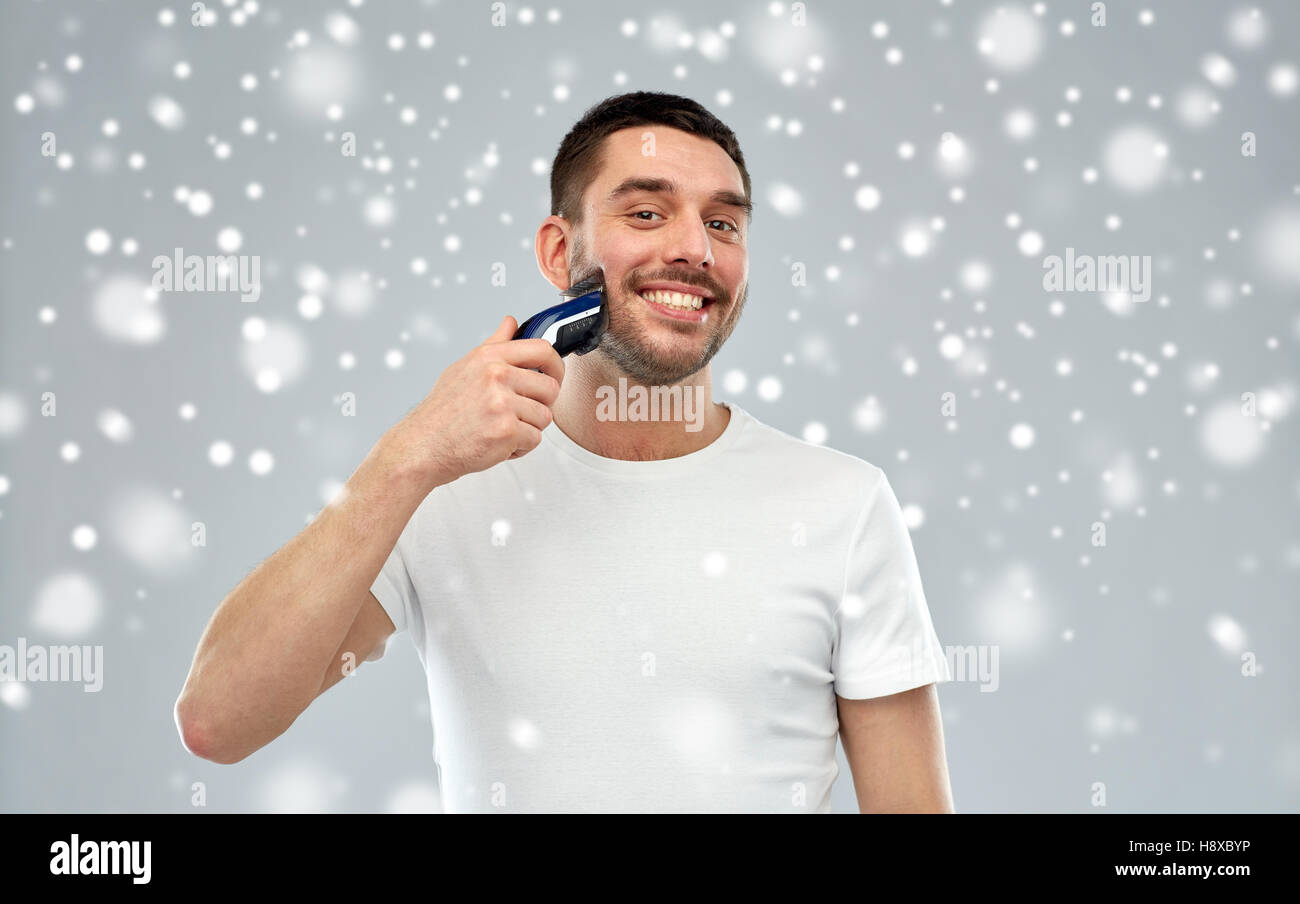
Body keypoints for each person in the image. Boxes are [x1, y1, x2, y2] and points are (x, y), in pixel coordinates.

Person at [175, 91, 955, 813]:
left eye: (724, 223)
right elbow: (218, 720)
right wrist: (410, 454)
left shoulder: (841, 507)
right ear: (559, 253)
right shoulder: (444, 489)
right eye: (647, 213)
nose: (695, 249)